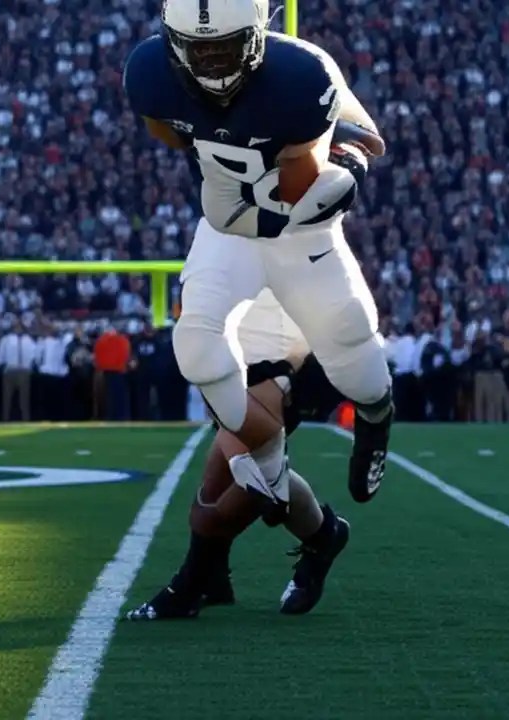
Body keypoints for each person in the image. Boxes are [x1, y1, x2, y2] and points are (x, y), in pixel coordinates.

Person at [123, 0, 392, 510]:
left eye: (225, 49)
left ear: (256, 37)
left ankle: (377, 419)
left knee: (354, 351)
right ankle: (267, 460)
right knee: (197, 346)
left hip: (302, 231)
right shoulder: (149, 73)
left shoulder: (299, 74)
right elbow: (166, 130)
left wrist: (344, 156)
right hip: (229, 227)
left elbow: (300, 186)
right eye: (197, 51)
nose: (212, 65)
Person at [128, 290, 351, 620]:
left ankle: (193, 585)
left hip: (282, 366)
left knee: (216, 512)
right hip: (262, 362)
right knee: (211, 499)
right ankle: (320, 536)